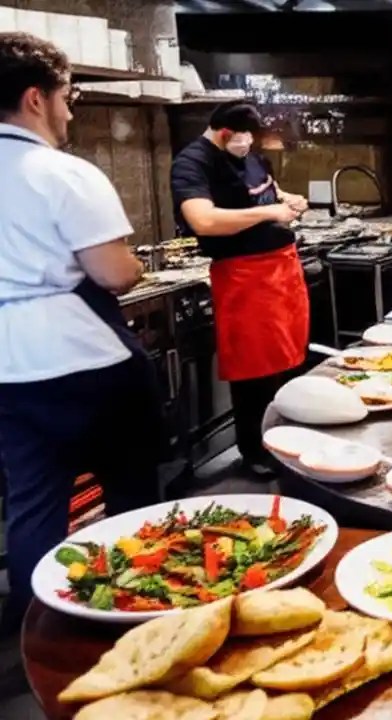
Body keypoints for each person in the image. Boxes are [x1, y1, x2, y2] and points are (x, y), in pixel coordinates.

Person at [0, 33, 165, 632]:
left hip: (9, 369)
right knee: (130, 491)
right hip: (85, 361)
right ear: (35, 99)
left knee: (33, 504)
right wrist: (136, 264)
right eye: (66, 97)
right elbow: (114, 273)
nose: (70, 111)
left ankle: (38, 631)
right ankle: (137, 613)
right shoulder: (64, 173)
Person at [171, 102, 308, 476]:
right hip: (243, 276)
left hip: (281, 270)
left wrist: (288, 200)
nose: (248, 143)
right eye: (242, 137)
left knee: (288, 361)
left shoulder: (252, 158)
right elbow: (204, 220)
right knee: (254, 369)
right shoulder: (192, 163)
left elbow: (270, 193)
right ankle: (256, 452)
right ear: (225, 133)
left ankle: (289, 442)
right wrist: (269, 213)